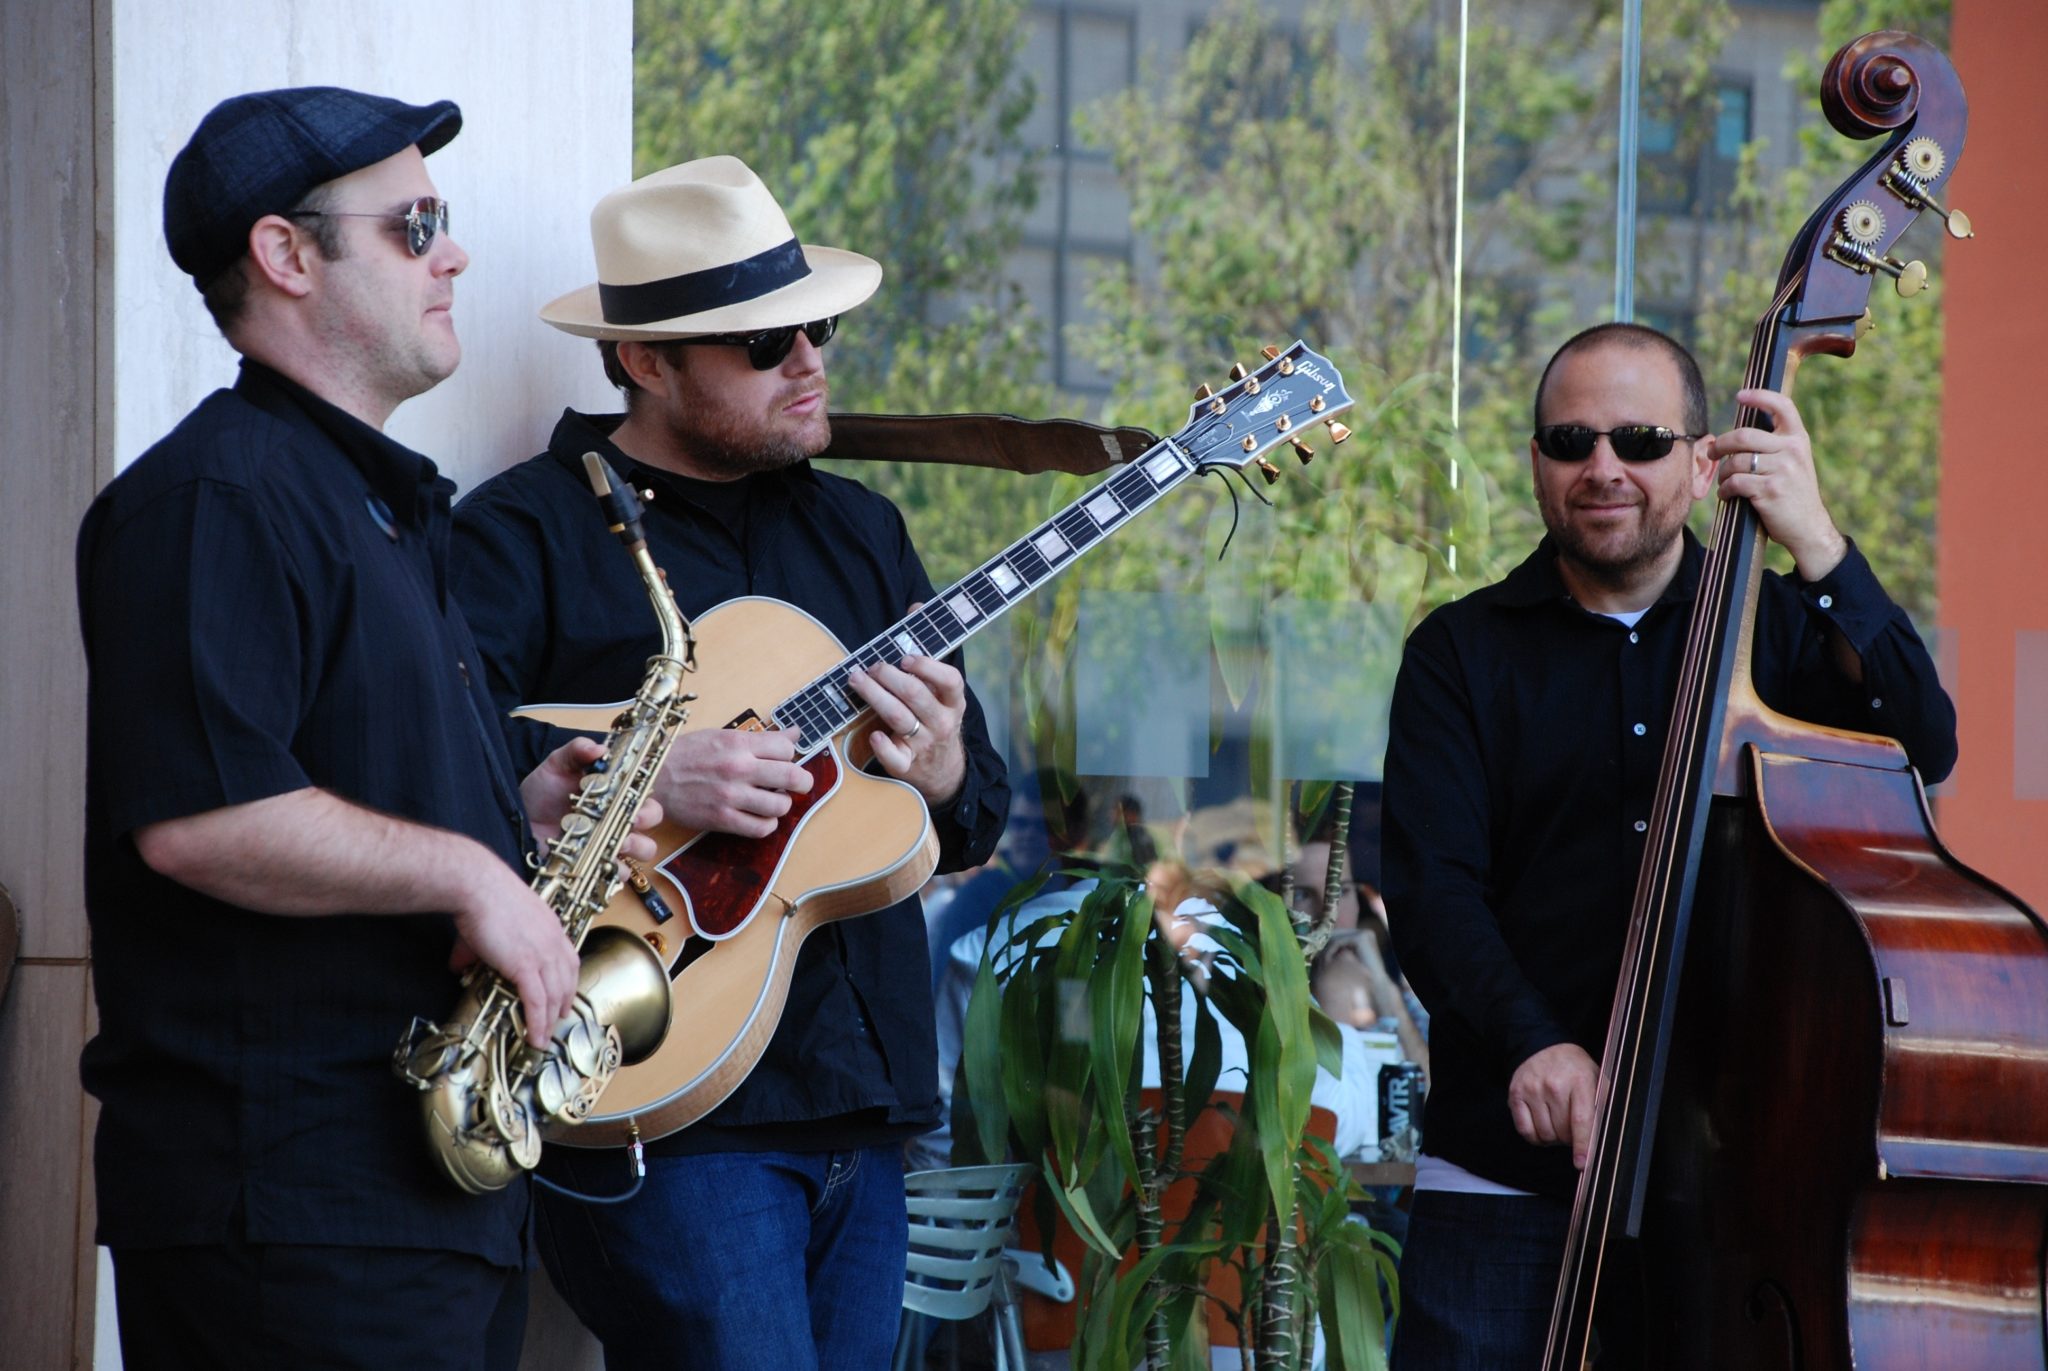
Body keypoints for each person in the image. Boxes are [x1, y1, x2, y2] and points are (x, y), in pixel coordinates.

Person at [77, 87, 656, 1371]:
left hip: (406, 1205)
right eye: (415, 225)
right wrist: (465, 874)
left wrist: (519, 819)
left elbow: (328, 786)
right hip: (293, 1210)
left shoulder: (382, 512)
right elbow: (198, 818)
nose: (453, 252)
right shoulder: (216, 499)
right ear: (286, 255)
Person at [449, 156, 1010, 1370]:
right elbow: (432, 764)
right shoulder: (522, 533)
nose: (810, 359)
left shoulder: (864, 534)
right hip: (665, 1108)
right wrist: (647, 778)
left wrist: (949, 767)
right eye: (764, 346)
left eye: (816, 327)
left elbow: (969, 819)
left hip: (868, 1111)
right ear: (645, 362)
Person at [1379, 322, 1957, 1369]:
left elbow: (1925, 745)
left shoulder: (1777, 634)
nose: (1602, 468)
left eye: (1640, 441)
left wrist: (1817, 543)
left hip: (1747, 1186)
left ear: (1702, 465)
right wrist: (1533, 1043)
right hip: (1503, 1186)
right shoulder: (1458, 654)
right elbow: (1432, 893)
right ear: (1535, 465)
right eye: (1569, 441)